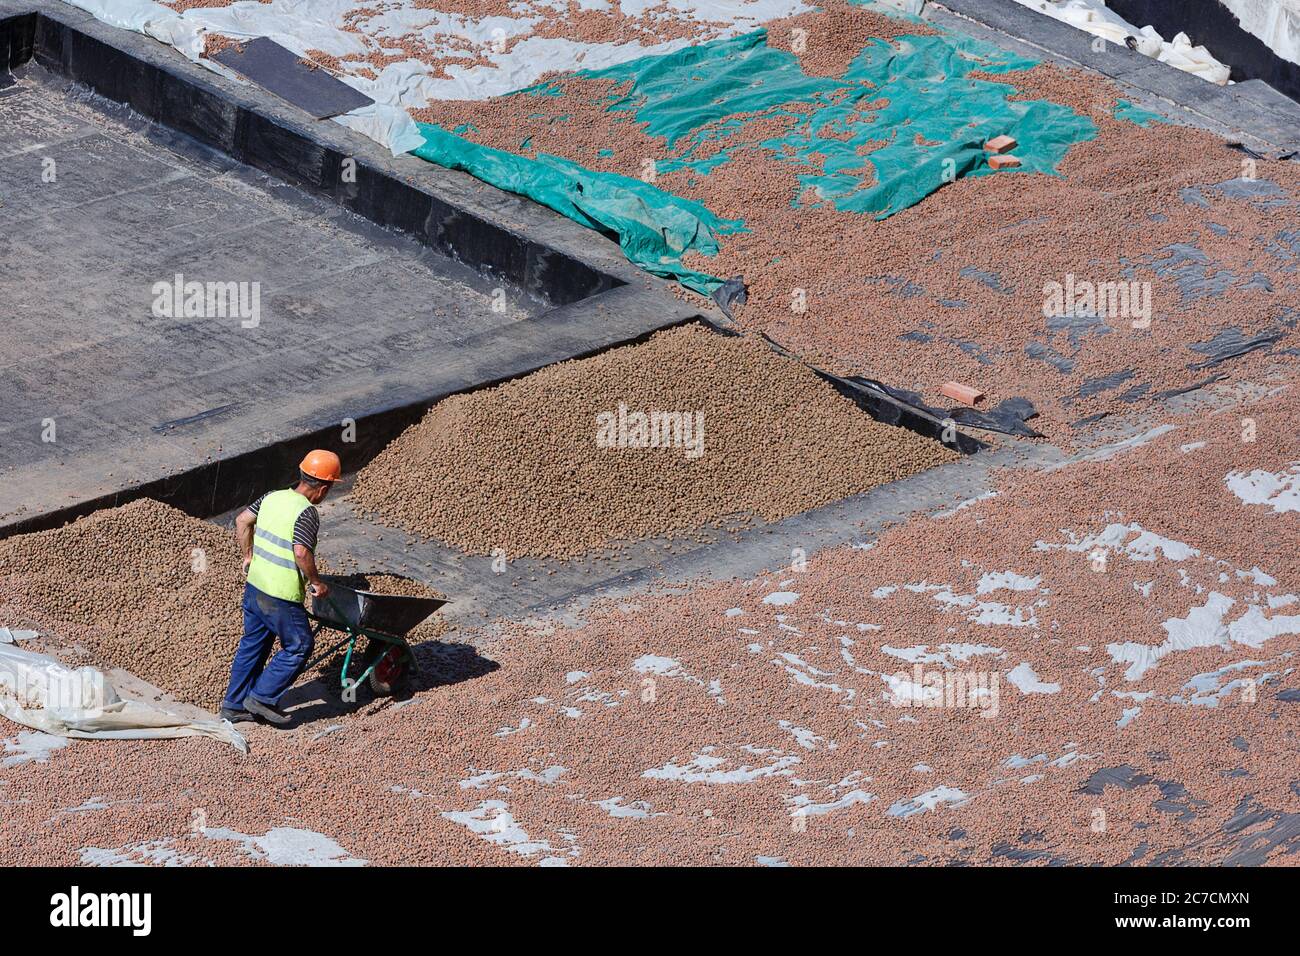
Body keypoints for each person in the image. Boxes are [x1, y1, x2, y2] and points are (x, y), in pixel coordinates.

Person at [220, 450, 341, 725]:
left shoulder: (272, 496)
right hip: (281, 596)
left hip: (254, 587)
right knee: (300, 645)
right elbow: (301, 553)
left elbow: (241, 521)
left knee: (253, 645)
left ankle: (233, 706)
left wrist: (248, 556)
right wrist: (317, 583)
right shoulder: (307, 512)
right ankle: (262, 698)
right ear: (322, 488)